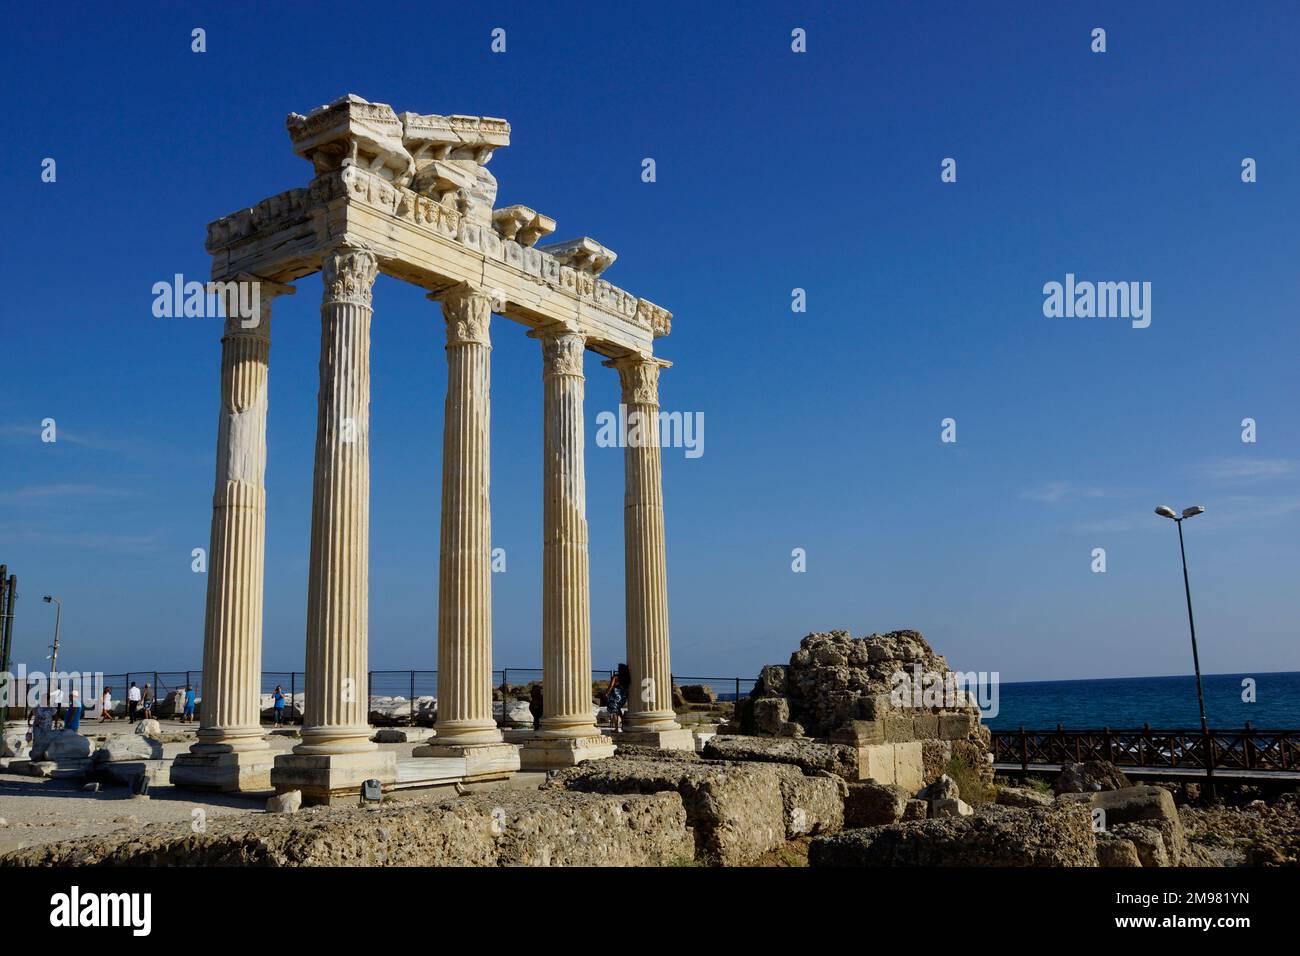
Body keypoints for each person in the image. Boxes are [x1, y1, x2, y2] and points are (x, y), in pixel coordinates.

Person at [605, 664, 630, 732]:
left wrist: (607, 693)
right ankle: (623, 720)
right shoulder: (627, 679)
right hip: (623, 698)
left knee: (614, 712)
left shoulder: (616, 677)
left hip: (615, 697)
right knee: (618, 709)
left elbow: (611, 686)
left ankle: (616, 728)